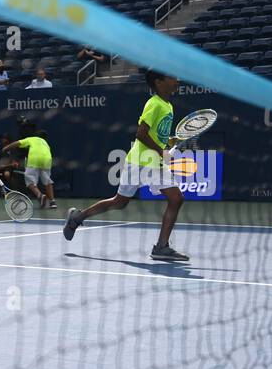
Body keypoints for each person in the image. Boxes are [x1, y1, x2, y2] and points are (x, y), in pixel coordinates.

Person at [64, 70, 188, 262]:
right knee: (120, 202)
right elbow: (141, 134)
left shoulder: (168, 105)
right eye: (172, 77)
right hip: (139, 162)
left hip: (154, 163)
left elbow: (156, 134)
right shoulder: (154, 103)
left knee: (175, 198)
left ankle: (161, 247)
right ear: (159, 82)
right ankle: (78, 217)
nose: (177, 79)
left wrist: (167, 142)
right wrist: (161, 150)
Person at [9, 130, 57, 208]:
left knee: (29, 180)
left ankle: (40, 195)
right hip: (47, 160)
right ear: (45, 139)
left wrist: (6, 148)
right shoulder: (46, 144)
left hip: (34, 159)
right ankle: (52, 202)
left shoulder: (32, 139)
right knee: (47, 181)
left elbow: (17, 143)